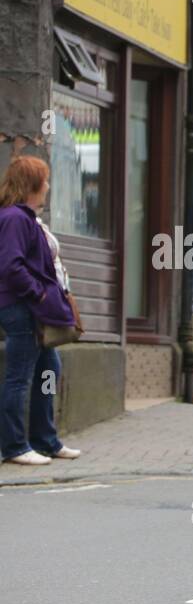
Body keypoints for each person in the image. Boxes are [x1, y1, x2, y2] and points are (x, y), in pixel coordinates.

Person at [0, 156, 80, 466]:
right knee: (19, 377)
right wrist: (39, 295)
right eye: (44, 180)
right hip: (20, 308)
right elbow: (10, 266)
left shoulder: (26, 217)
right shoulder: (14, 219)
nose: (48, 186)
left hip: (32, 308)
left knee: (49, 369)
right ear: (32, 184)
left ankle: (45, 440)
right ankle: (14, 447)